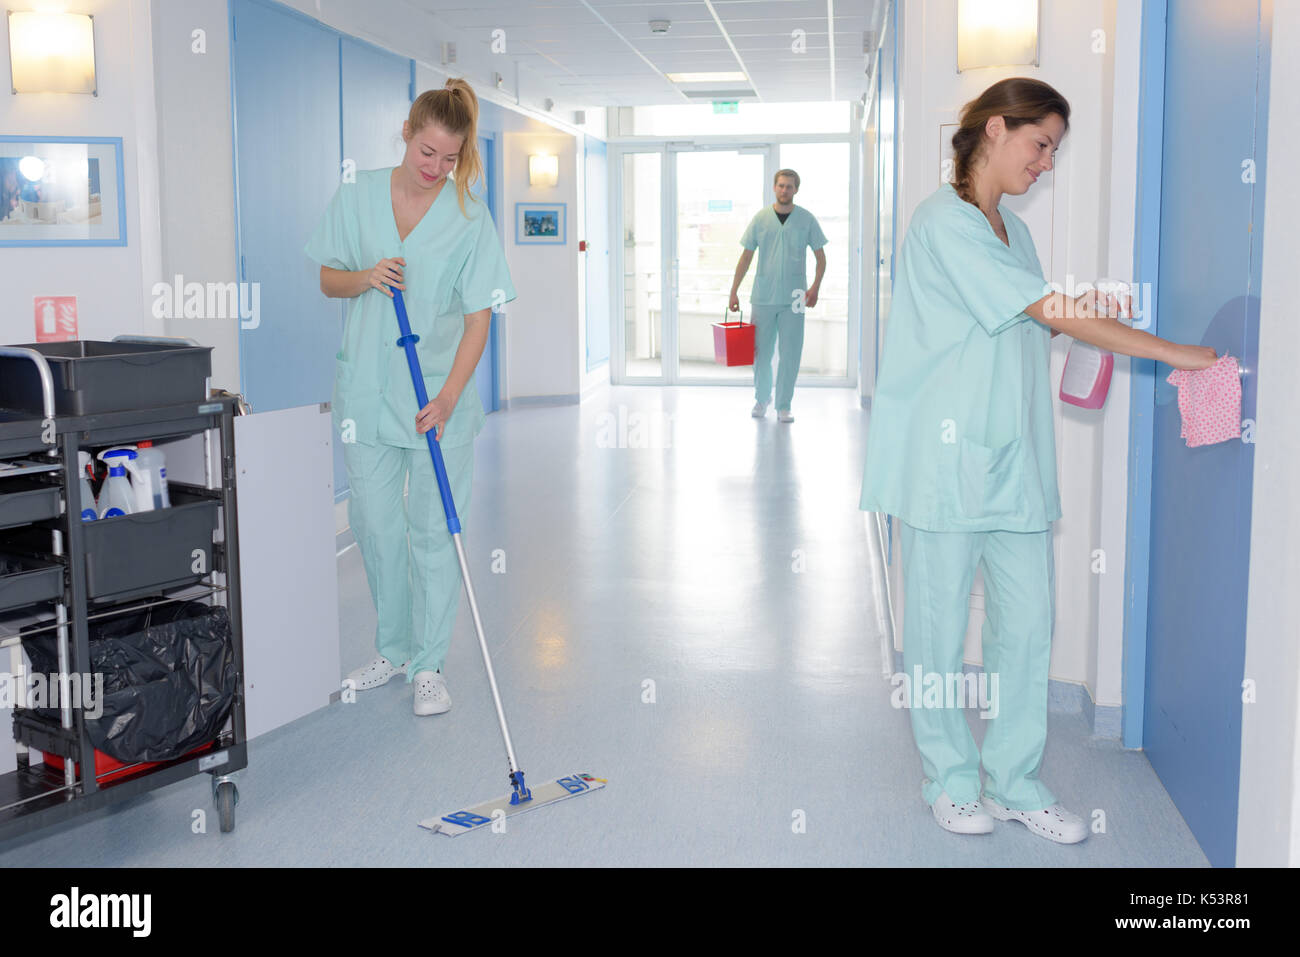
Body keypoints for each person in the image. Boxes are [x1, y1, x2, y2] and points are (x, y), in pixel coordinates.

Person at [859, 78, 1216, 842]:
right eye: (1041, 143)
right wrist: (1174, 355)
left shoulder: (1010, 232)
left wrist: (1084, 319)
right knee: (937, 629)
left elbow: (1024, 321)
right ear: (995, 128)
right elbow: (1038, 306)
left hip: (1014, 461)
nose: (1047, 162)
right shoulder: (942, 222)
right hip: (942, 463)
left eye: (1053, 148)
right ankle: (950, 779)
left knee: (1026, 629)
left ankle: (1015, 781)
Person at [306, 78, 516, 716]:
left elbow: (480, 317)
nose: (435, 168)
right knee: (375, 526)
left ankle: (428, 664)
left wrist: (452, 395)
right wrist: (368, 278)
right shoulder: (358, 194)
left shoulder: (468, 215)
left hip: (437, 401)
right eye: (427, 152)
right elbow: (326, 280)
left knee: (432, 532)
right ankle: (392, 648)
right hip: (368, 394)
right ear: (406, 133)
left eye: (449, 158)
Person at [729, 170, 827, 423]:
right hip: (763, 295)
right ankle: (762, 399)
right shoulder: (760, 219)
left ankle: (784, 404)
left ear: (796, 190)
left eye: (790, 187)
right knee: (761, 352)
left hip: (795, 296)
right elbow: (746, 257)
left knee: (791, 352)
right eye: (781, 186)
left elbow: (820, 257)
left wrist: (815, 287)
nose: (785, 190)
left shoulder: (806, 219)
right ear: (774, 188)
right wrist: (734, 290)